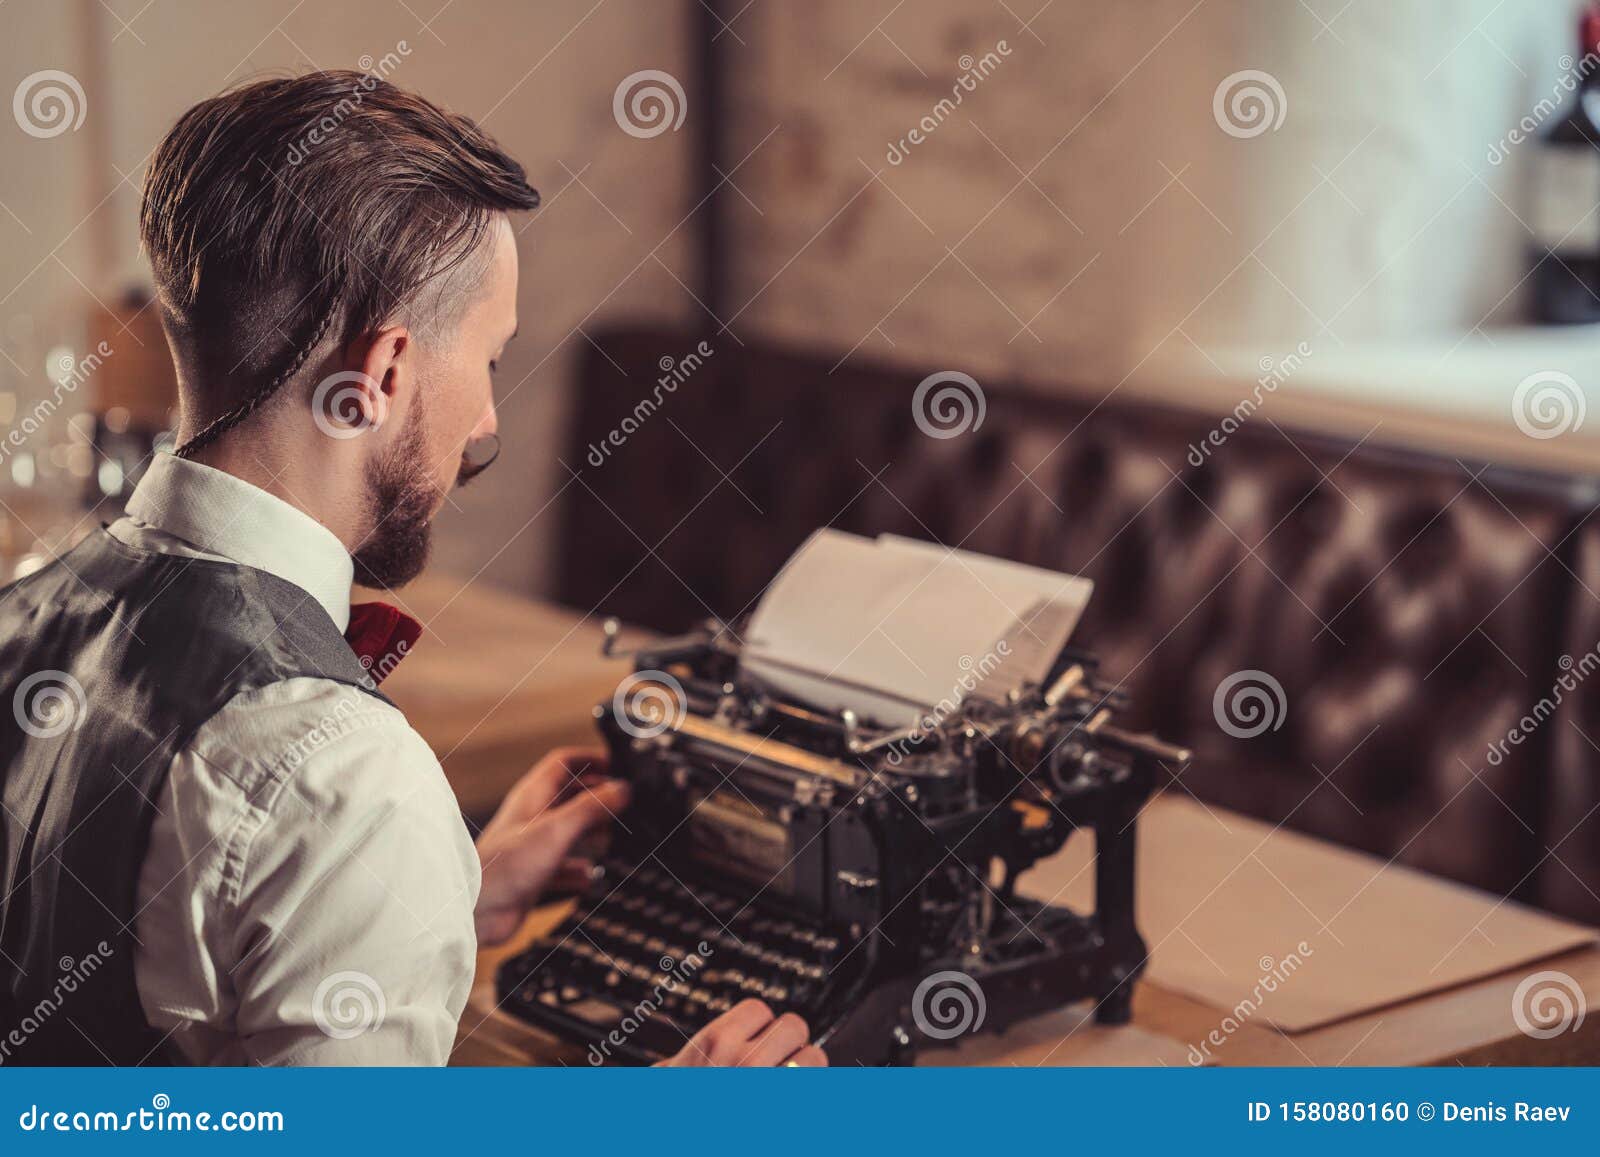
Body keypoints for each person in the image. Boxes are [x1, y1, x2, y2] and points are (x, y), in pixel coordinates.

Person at [0, 71, 825, 1068]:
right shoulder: (347, 780)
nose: (487, 420)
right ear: (381, 377)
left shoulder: (22, 612)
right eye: (487, 360)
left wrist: (428, 899)